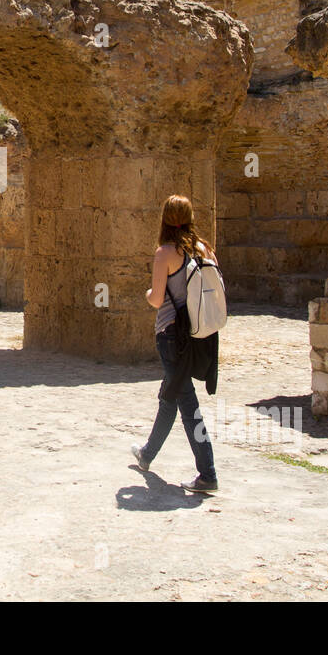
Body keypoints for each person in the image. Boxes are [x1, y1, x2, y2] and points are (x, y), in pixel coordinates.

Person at [130, 194, 219, 491]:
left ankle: (207, 474)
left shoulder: (165, 253)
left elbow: (157, 299)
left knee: (186, 401)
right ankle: (147, 454)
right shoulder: (205, 249)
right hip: (198, 334)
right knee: (170, 394)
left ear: (165, 218)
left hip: (171, 334)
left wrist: (146, 294)